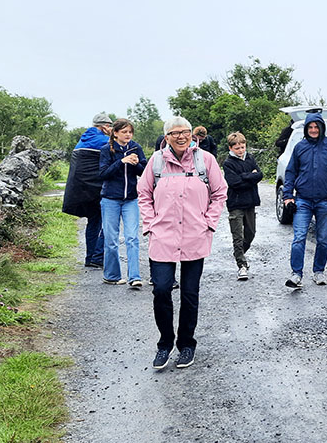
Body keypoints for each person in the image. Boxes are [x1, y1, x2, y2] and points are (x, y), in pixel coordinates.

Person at [138, 116, 227, 370]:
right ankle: (165, 344)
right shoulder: (156, 162)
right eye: (175, 133)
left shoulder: (205, 160)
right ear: (166, 137)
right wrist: (150, 224)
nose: (181, 136)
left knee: (189, 294)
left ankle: (187, 344)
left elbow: (220, 192)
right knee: (162, 290)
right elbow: (143, 193)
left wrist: (209, 222)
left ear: (192, 135)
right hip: (163, 237)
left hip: (194, 236)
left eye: (185, 132)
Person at [282, 112, 327, 288]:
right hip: (302, 200)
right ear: (306, 129)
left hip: (325, 201)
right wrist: (288, 197)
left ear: (321, 128)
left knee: (323, 239)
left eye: (316, 127)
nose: (313, 130)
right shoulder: (299, 147)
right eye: (310, 127)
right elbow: (290, 173)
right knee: (299, 238)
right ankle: (296, 274)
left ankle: (319, 271)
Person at [98, 118, 147, 287]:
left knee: (132, 238)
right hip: (110, 199)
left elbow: (144, 172)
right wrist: (121, 162)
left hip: (130, 199)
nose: (128, 135)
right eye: (124, 132)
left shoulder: (136, 148)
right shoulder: (106, 150)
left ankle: (134, 277)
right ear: (116, 133)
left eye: (130, 132)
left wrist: (135, 164)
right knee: (111, 239)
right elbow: (103, 174)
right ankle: (111, 275)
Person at [62, 113, 112, 268]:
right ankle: (97, 257)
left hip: (80, 189)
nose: (111, 129)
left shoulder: (83, 138)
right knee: (109, 222)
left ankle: (90, 257)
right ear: (104, 127)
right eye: (110, 126)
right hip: (96, 188)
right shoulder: (104, 141)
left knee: (93, 221)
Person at [223, 132, 263, 281]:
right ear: (231, 148)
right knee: (238, 236)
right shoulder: (228, 163)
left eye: (242, 147)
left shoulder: (250, 158)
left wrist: (247, 176)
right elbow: (234, 183)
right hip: (235, 203)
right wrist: (250, 176)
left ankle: (238, 253)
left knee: (251, 233)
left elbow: (260, 175)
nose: (240, 150)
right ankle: (242, 265)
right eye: (237, 148)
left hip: (250, 202)